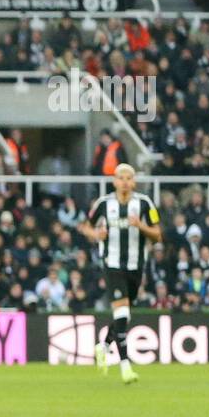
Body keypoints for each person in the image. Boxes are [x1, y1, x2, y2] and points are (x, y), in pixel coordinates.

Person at [79, 164, 161, 384]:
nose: (125, 182)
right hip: (112, 264)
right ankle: (125, 366)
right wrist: (96, 234)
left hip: (136, 266)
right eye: (120, 178)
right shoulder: (104, 204)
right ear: (114, 181)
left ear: (134, 182)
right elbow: (85, 227)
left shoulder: (145, 204)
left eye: (128, 178)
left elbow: (158, 235)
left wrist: (141, 226)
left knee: (123, 316)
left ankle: (103, 346)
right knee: (122, 313)